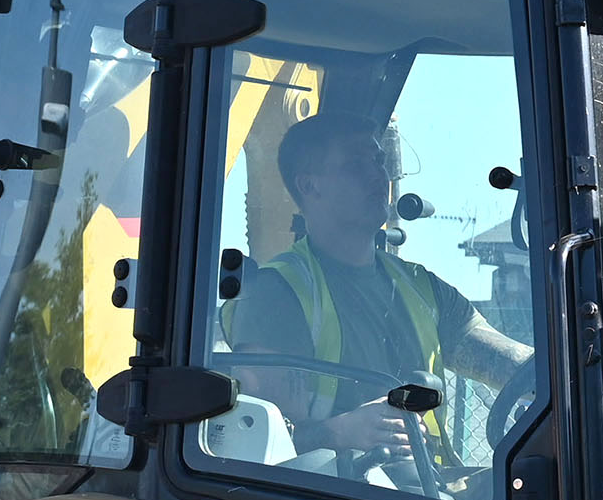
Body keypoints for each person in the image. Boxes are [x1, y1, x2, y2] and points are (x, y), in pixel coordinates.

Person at [223, 105, 530, 478]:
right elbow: (252, 446)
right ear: (309, 185)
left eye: (379, 161)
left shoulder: (422, 287)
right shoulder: (276, 294)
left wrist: (583, 367)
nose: (378, 176)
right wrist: (341, 432)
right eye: (357, 165)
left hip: (429, 491)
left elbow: (515, 365)